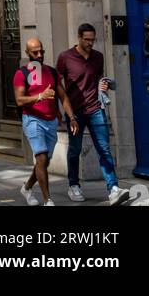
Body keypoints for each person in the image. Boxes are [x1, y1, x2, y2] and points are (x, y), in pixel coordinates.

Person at [56, 24, 129, 205]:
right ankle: (74, 185)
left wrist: (103, 85)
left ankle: (113, 188)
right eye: (86, 40)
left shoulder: (98, 57)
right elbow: (57, 84)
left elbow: (98, 79)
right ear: (79, 38)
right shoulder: (65, 57)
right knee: (75, 150)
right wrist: (64, 112)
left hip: (96, 109)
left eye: (92, 40)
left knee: (104, 148)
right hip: (75, 112)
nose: (90, 43)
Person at [15, 37, 77, 207]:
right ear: (27, 53)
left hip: (50, 122)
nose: (40, 55)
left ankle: (27, 188)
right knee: (41, 157)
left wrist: (71, 117)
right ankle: (47, 200)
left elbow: (63, 96)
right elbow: (19, 100)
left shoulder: (51, 72)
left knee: (45, 161)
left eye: (42, 51)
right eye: (35, 52)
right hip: (32, 119)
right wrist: (40, 96)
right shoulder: (22, 73)